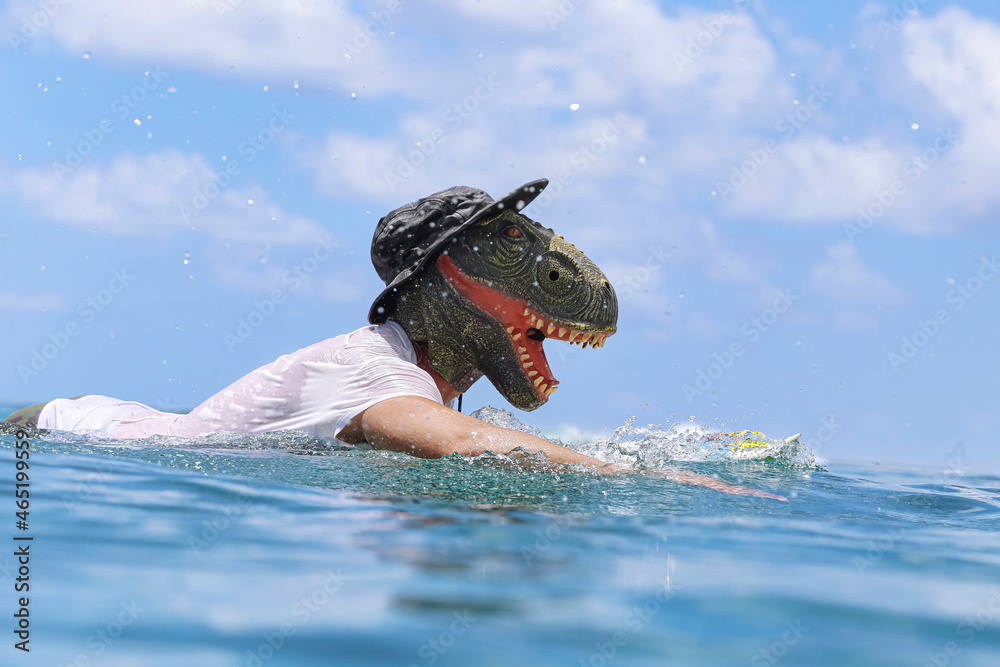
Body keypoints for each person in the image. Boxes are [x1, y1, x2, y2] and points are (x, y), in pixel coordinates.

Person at [5, 179, 783, 500]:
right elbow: (471, 444)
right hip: (65, 437)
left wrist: (677, 449)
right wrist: (639, 478)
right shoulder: (377, 378)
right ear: (441, 276)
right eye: (506, 242)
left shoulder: (404, 380)